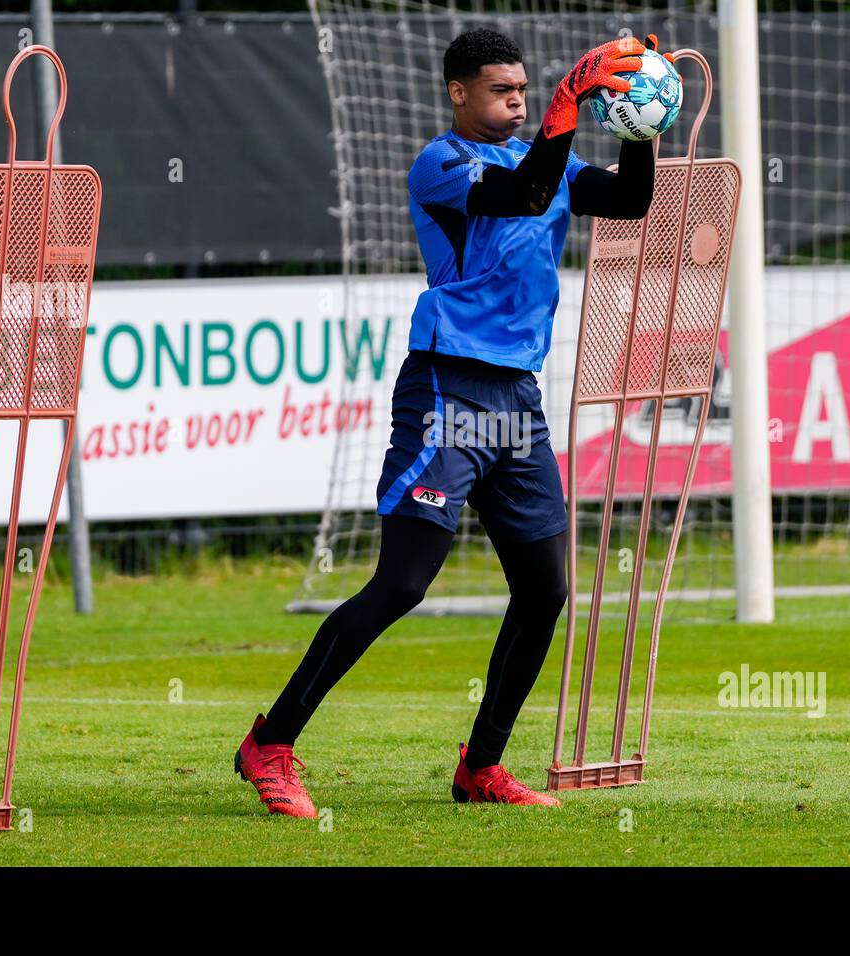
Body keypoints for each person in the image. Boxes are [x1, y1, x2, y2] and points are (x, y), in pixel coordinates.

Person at [236, 27, 664, 816]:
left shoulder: (555, 163)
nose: (516, 103)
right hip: (446, 393)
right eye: (501, 92)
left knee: (544, 591)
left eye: (525, 91)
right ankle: (272, 741)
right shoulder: (442, 164)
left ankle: (482, 768)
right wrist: (566, 110)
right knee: (401, 584)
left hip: (517, 404)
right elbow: (526, 193)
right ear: (457, 92)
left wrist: (640, 128)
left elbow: (633, 201)